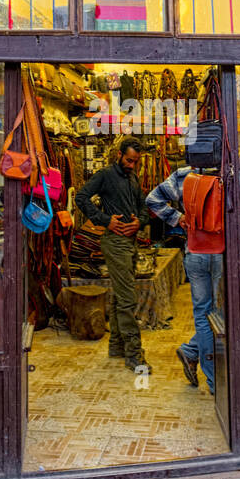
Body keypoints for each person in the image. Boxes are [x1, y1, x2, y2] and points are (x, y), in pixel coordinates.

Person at [74, 136, 152, 372]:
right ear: (119, 154)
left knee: (121, 297)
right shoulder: (106, 175)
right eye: (129, 160)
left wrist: (140, 222)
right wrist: (105, 220)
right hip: (115, 242)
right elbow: (81, 197)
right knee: (128, 299)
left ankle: (117, 346)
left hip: (130, 241)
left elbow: (143, 207)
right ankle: (134, 354)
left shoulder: (133, 177)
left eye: (135, 162)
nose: (132, 165)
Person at [146, 165, 223, 395]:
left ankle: (203, 367)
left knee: (203, 313)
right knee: (221, 314)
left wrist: (179, 218)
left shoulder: (184, 175)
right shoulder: (229, 171)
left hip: (196, 250)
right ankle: (211, 376)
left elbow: (153, 199)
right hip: (221, 252)